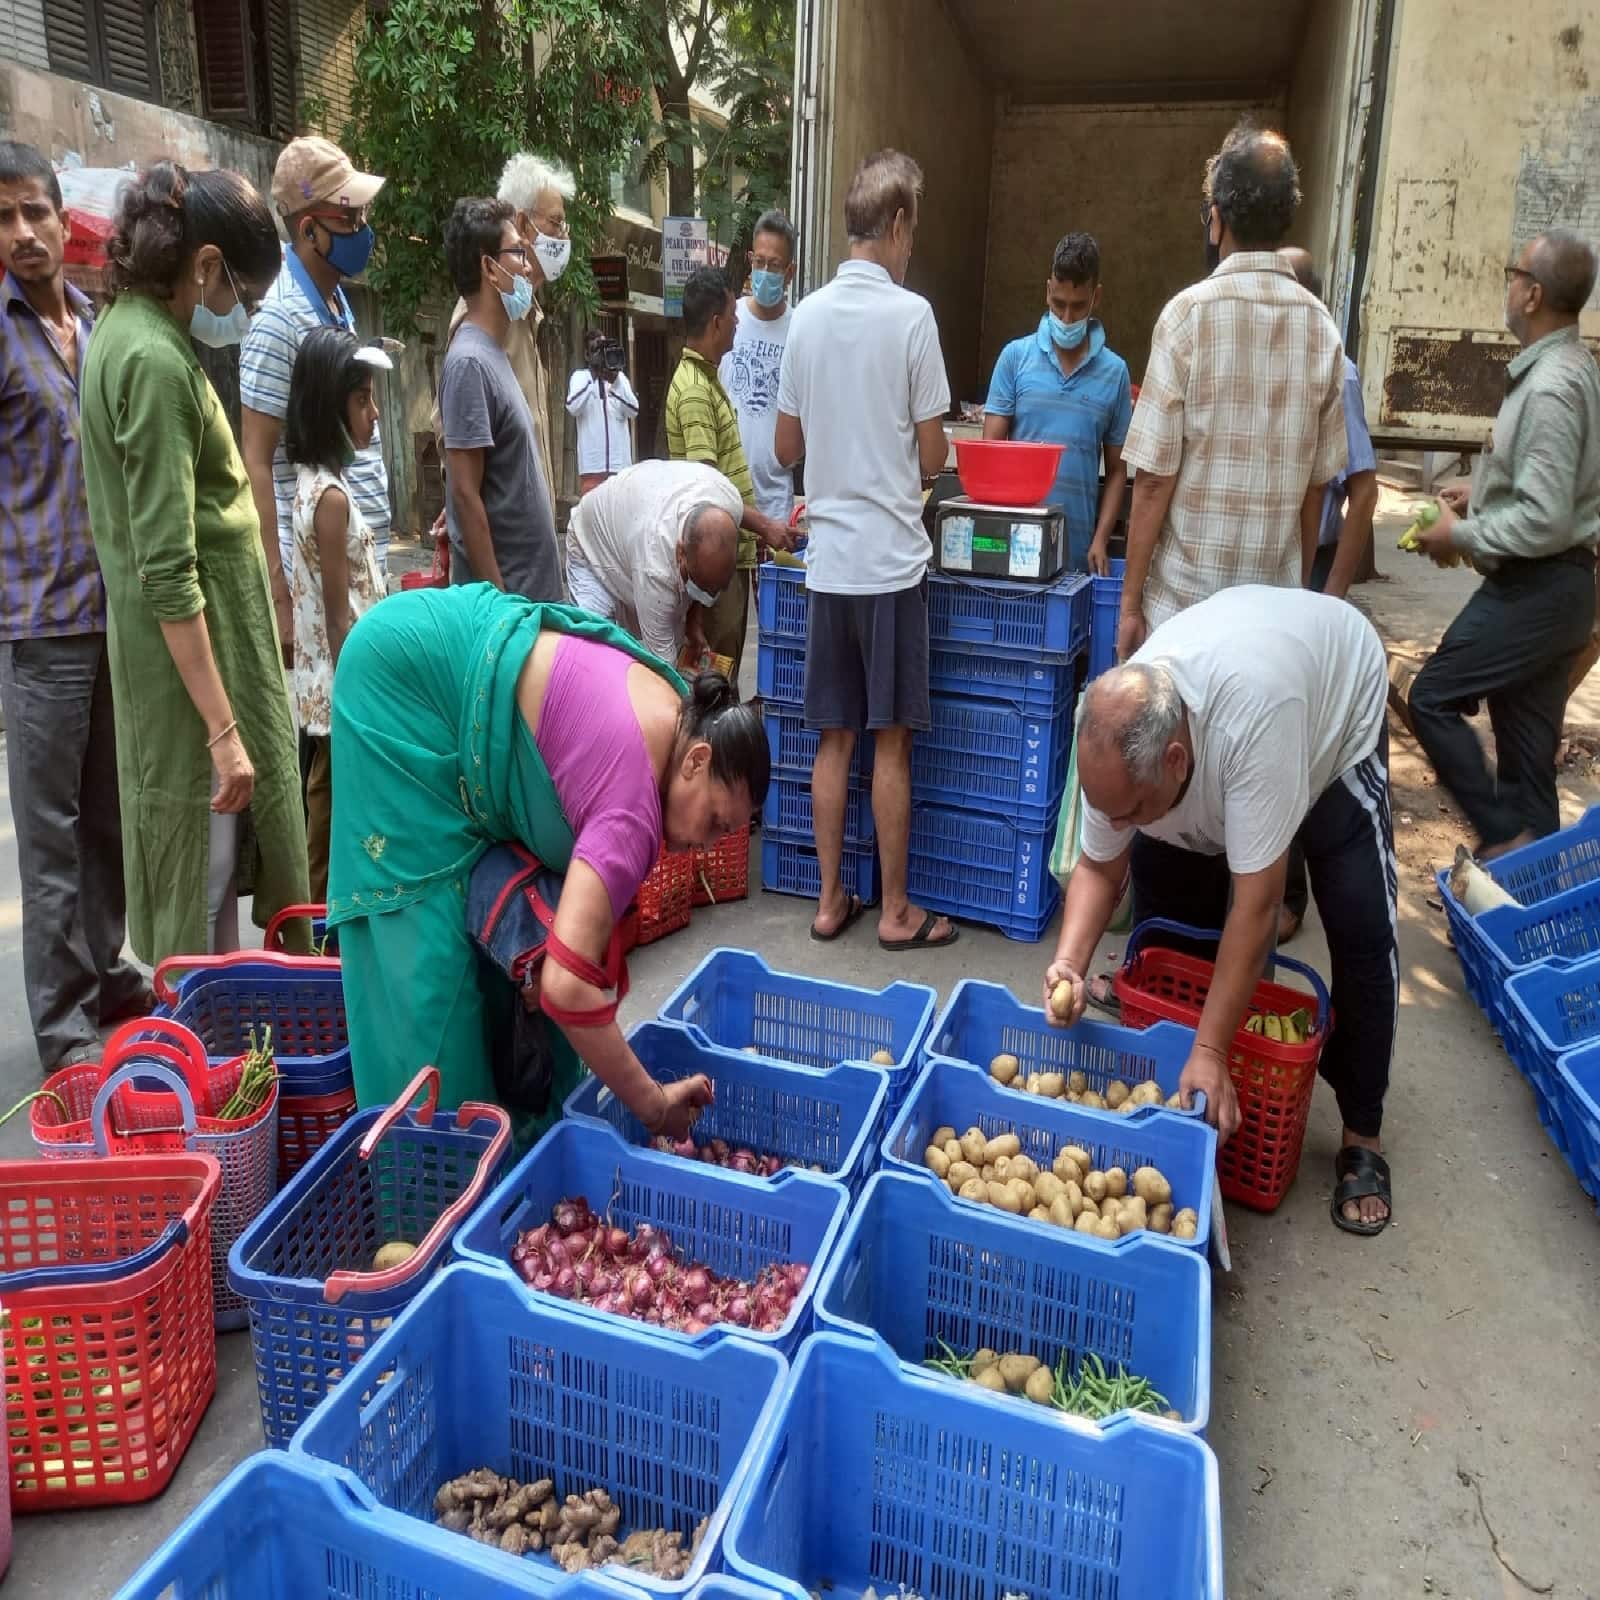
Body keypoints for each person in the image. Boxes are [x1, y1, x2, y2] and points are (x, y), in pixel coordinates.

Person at [326, 584, 769, 1132]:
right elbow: (566, 987)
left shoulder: (680, 710)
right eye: (715, 823)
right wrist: (653, 1105)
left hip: (447, 654)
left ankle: (528, 1153)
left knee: (524, 968)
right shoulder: (632, 808)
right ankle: (437, 1202)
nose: (706, 845)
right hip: (400, 692)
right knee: (428, 990)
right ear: (697, 761)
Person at [1043, 586, 1397, 1234]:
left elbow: (1257, 908)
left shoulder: (1251, 724)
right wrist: (1068, 963)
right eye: (1108, 809)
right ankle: (1203, 1086)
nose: (1114, 822)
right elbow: (1098, 865)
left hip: (1331, 720)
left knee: (1359, 922)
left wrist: (1211, 1044)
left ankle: (1362, 1132)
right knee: (1177, 923)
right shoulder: (1116, 750)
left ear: (1175, 762)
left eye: (1129, 811)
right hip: (1226, 741)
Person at [79, 161, 310, 961]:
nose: (238, 311)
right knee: (200, 887)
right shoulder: (151, 362)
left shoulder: (135, 337)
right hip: (188, 685)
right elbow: (168, 567)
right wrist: (222, 731)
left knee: (209, 894)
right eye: (239, 291)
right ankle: (200, 1055)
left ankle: (217, 1047)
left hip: (190, 668)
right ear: (204, 264)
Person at [775, 148, 957, 952]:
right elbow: (932, 458)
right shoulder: (912, 317)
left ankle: (826, 900)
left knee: (831, 738)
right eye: (912, 226)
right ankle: (893, 911)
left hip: (829, 566)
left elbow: (786, 447)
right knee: (890, 741)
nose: (912, 243)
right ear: (895, 224)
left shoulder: (805, 318)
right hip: (890, 566)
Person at [0, 139, 151, 1071]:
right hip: (36, 620)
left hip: (109, 617)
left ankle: (107, 969)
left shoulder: (93, 325)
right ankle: (61, 1023)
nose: (21, 232)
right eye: (3, 217)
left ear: (64, 221)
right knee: (48, 831)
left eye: (34, 212)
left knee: (106, 816)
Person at [1117, 121, 1347, 662]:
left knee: (1175, 750)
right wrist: (1292, 599)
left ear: (1216, 219)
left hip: (1182, 618)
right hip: (1270, 628)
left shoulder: (1186, 318)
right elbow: (1317, 490)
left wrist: (1129, 607)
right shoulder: (1322, 330)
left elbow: (1151, 481)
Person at [1407, 230, 1600, 857]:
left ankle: (1505, 842)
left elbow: (1544, 521)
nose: (1507, 286)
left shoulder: (1551, 387)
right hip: (1556, 590)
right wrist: (1481, 491)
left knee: (1432, 697)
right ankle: (1535, 909)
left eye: (1512, 275)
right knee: (1525, 763)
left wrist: (1456, 533)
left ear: (1534, 293)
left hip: (1537, 588)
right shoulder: (1566, 370)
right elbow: (1554, 490)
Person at [240, 136, 388, 662]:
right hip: (317, 589)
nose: (363, 231)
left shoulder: (334, 300)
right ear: (309, 229)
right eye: (350, 218)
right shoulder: (278, 320)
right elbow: (256, 460)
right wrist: (279, 599)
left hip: (354, 565)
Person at [1276, 246, 1381, 941]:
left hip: (1307, 571)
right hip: (1269, 570)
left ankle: (1288, 900)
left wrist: (1333, 594)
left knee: (1296, 737)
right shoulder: (1274, 358)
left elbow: (1362, 488)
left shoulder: (1335, 371)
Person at [283, 328, 391, 899]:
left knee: (331, 801)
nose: (373, 414)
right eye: (362, 401)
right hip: (340, 693)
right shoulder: (330, 498)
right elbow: (337, 619)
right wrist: (370, 695)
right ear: (331, 407)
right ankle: (318, 921)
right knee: (328, 809)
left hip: (330, 689)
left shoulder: (320, 484)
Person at [983, 231, 1133, 574]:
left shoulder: (1115, 373)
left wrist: (1100, 538)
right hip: (1014, 552)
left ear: (1096, 297)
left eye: (1078, 307)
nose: (1066, 318)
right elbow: (990, 455)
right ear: (1048, 290)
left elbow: (1116, 473)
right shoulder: (1014, 358)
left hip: (1077, 557)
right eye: (1059, 304)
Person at [666, 264, 789, 681]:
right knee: (717, 675)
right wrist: (766, 526)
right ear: (717, 323)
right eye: (734, 319)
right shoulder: (696, 392)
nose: (739, 326)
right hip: (717, 563)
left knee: (724, 668)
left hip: (729, 558)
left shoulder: (706, 380)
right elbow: (709, 491)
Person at [438, 197, 562, 601]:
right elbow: (465, 494)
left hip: (529, 603)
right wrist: (500, 604)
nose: (528, 266)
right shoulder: (469, 362)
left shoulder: (494, 352)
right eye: (518, 254)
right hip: (509, 613)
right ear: (489, 268)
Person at [439, 152, 574, 517]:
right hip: (506, 558)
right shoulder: (485, 324)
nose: (564, 236)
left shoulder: (524, 313)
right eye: (556, 223)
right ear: (521, 224)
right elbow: (462, 472)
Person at [566, 459, 742, 665]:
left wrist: (693, 622)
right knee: (594, 652)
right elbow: (662, 667)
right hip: (591, 543)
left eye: (717, 589)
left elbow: (703, 583)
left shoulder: (731, 503)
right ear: (680, 552)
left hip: (633, 522)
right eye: (701, 586)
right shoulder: (655, 566)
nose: (709, 596)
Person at [721, 209, 800, 528]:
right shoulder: (728, 321)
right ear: (750, 260)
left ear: (790, 272)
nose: (765, 271)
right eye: (759, 263)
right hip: (724, 499)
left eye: (775, 265)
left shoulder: (799, 330)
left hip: (775, 506)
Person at [566, 330, 639, 492]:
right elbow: (573, 406)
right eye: (595, 351)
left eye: (603, 350)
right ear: (586, 355)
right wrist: (594, 375)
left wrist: (616, 382)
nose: (600, 355)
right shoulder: (580, 377)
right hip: (592, 469)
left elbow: (633, 410)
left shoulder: (620, 380)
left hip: (620, 468)